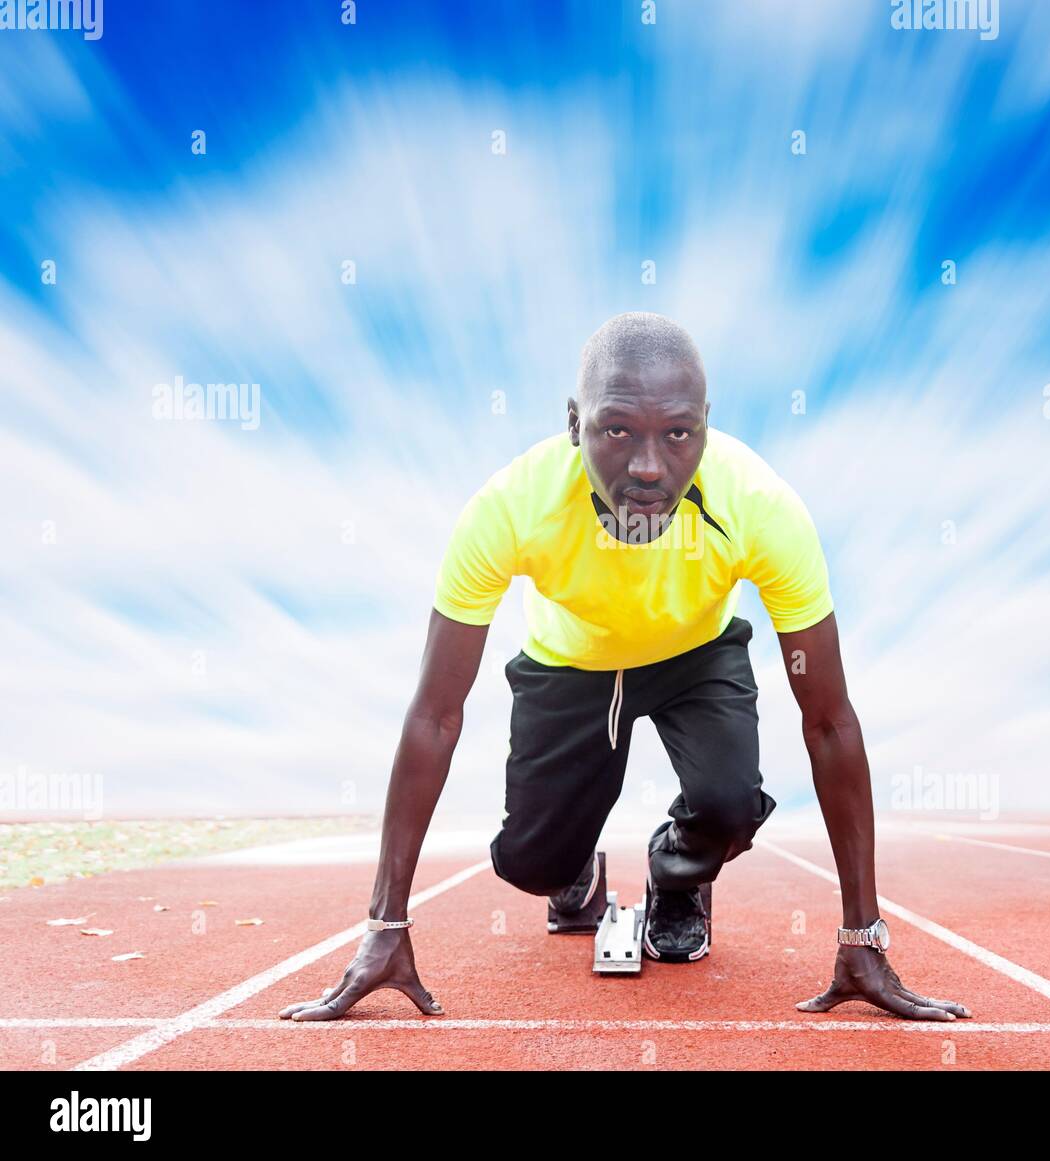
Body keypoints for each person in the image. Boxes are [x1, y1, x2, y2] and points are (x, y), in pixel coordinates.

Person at [279, 312, 971, 1022]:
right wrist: (384, 925)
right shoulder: (509, 509)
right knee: (529, 863)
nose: (648, 466)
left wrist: (863, 936)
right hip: (572, 665)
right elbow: (434, 714)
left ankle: (676, 878)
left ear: (707, 424)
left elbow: (829, 720)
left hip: (695, 654)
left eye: (678, 434)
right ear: (574, 423)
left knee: (731, 802)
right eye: (617, 431)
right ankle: (574, 873)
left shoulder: (761, 507)